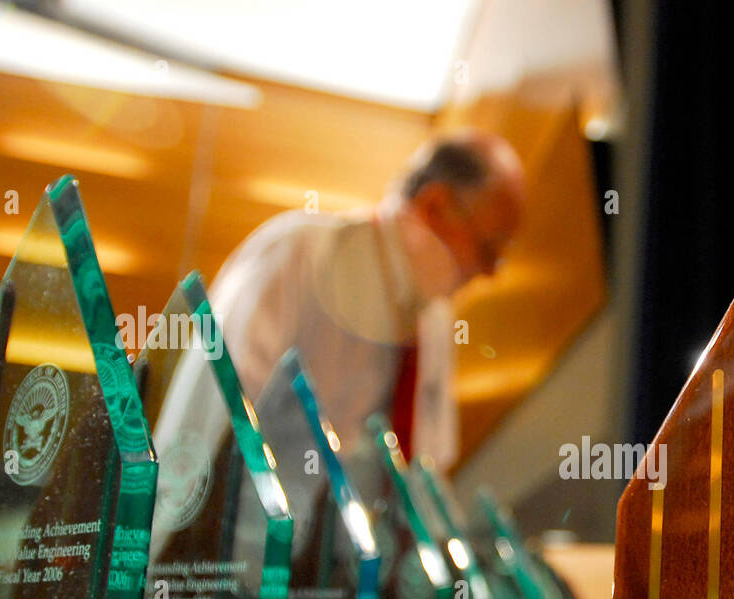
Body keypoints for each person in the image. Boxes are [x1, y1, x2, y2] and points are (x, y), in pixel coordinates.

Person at [160, 129, 525, 465]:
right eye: (488, 248)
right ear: (435, 208)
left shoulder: (435, 320)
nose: (490, 272)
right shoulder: (299, 251)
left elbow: (426, 470)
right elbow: (212, 422)